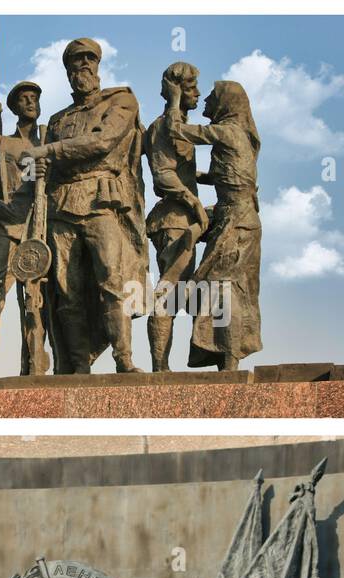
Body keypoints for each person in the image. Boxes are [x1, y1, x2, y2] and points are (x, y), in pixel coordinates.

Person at [22, 38, 148, 374]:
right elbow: (42, 167)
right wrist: (43, 165)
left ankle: (124, 359)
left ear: (98, 65)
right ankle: (77, 366)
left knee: (112, 281)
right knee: (67, 291)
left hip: (100, 200)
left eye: (88, 61)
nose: (82, 68)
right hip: (61, 207)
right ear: (67, 72)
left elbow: (104, 141)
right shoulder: (59, 119)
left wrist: (49, 152)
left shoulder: (120, 100)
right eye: (75, 64)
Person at [163, 79, 263, 371]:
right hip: (235, 217)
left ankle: (229, 360)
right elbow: (229, 177)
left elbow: (177, 130)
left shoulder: (229, 132)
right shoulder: (238, 135)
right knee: (218, 288)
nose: (205, 101)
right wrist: (192, 175)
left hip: (237, 221)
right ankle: (224, 359)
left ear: (225, 103)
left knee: (223, 287)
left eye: (211, 97)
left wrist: (173, 99)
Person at [0, 80, 44, 378]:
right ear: (15, 107)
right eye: (24, 99)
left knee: (34, 303)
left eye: (34, 98)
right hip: (6, 226)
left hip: (38, 228)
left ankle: (34, 367)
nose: (30, 103)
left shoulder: (48, 142)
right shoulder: (0, 143)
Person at [144, 62, 207, 371]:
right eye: (192, 88)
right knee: (169, 291)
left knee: (178, 292)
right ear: (178, 91)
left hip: (179, 218)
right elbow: (163, 175)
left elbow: (182, 170)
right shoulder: (162, 125)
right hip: (173, 220)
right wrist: (193, 202)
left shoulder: (178, 124)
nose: (198, 94)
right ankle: (159, 367)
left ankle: (161, 365)